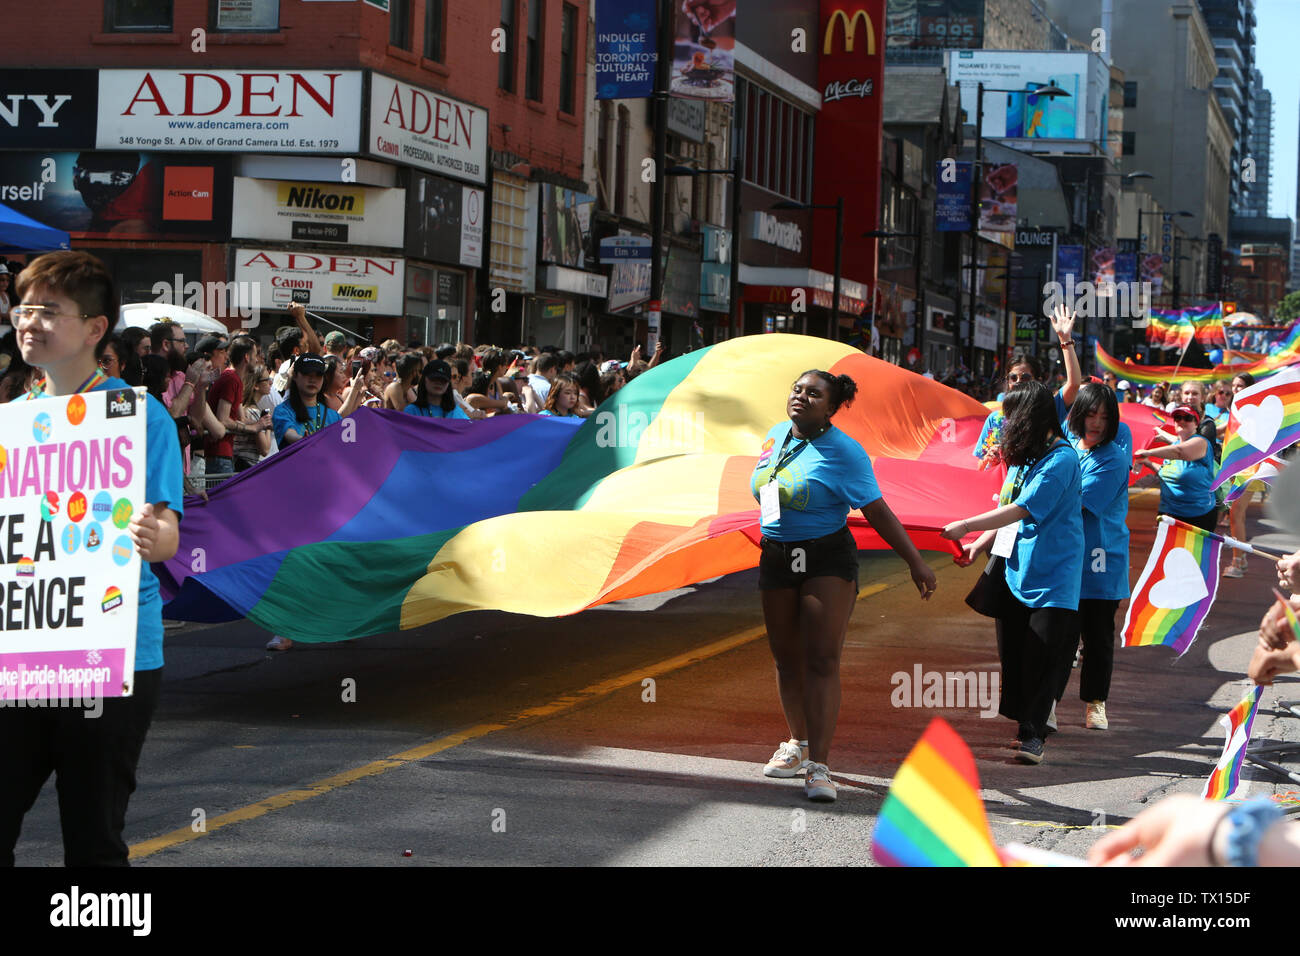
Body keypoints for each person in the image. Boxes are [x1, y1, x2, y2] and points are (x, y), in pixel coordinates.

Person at [1, 250, 182, 866]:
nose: (29, 321)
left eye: (49, 310)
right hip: (22, 655)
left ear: (95, 327)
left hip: (112, 653)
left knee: (92, 838)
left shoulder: (136, 415)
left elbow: (167, 536)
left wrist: (153, 537)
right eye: (23, 307)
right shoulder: (11, 423)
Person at [754, 370, 936, 801]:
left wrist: (915, 562)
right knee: (784, 658)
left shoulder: (845, 452)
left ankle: (819, 766)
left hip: (826, 559)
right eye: (797, 389)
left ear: (831, 408)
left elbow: (876, 510)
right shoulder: (775, 435)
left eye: (813, 394)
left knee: (820, 659)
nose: (801, 397)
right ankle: (796, 745)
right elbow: (765, 491)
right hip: (777, 555)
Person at [942, 381, 1084, 765]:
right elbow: (1009, 504)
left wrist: (966, 525)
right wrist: (979, 542)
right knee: (1014, 656)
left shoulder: (1061, 459)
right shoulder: (1028, 457)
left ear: (1031, 418)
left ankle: (1033, 734)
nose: (1002, 426)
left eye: (1009, 418)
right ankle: (1032, 718)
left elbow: (1023, 508)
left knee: (1041, 655)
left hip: (1054, 572)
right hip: (1015, 565)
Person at [1058, 382, 1132, 730]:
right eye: (1090, 413)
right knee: (1061, 637)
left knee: (1097, 637)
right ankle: (1048, 706)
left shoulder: (1114, 458)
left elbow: (1076, 504)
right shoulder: (1069, 446)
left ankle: (1095, 703)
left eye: (1105, 416)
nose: (1097, 422)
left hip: (1101, 559)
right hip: (1066, 557)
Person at [1133, 404, 1219, 532]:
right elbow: (1166, 471)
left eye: (1187, 418)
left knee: (1194, 552)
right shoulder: (1173, 446)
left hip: (1199, 515)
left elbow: (1179, 452)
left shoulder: (1201, 443)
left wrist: (1148, 452)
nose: (1182, 421)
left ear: (1196, 423)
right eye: (1178, 418)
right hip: (1169, 514)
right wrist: (1148, 462)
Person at [1223, 372, 1258, 578]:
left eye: (1241, 386)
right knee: (1237, 514)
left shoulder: (1250, 411)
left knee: (1236, 514)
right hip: (1237, 469)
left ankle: (1239, 561)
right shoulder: (1236, 410)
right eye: (1234, 386)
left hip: (1248, 469)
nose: (1236, 389)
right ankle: (1240, 560)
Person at [232, 363, 273, 471]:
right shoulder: (253, 412)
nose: (271, 382)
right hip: (245, 466)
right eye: (267, 379)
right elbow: (265, 449)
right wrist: (268, 426)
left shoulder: (245, 409)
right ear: (256, 385)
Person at [405, 359, 470, 419]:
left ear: (448, 383)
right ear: (424, 380)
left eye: (443, 380)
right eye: (434, 378)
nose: (439, 383)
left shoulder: (456, 411)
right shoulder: (411, 411)